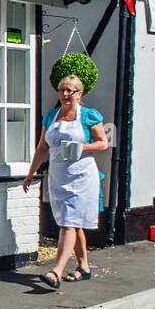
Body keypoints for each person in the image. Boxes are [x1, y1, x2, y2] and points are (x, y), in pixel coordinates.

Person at [22, 73, 108, 287]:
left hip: (82, 177)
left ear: (79, 94)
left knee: (69, 223)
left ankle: (56, 271)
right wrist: (31, 172)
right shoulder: (51, 116)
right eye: (62, 89)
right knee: (73, 224)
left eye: (70, 90)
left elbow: (103, 143)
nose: (65, 94)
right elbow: (43, 147)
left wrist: (82, 148)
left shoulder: (88, 115)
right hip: (59, 177)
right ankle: (84, 268)